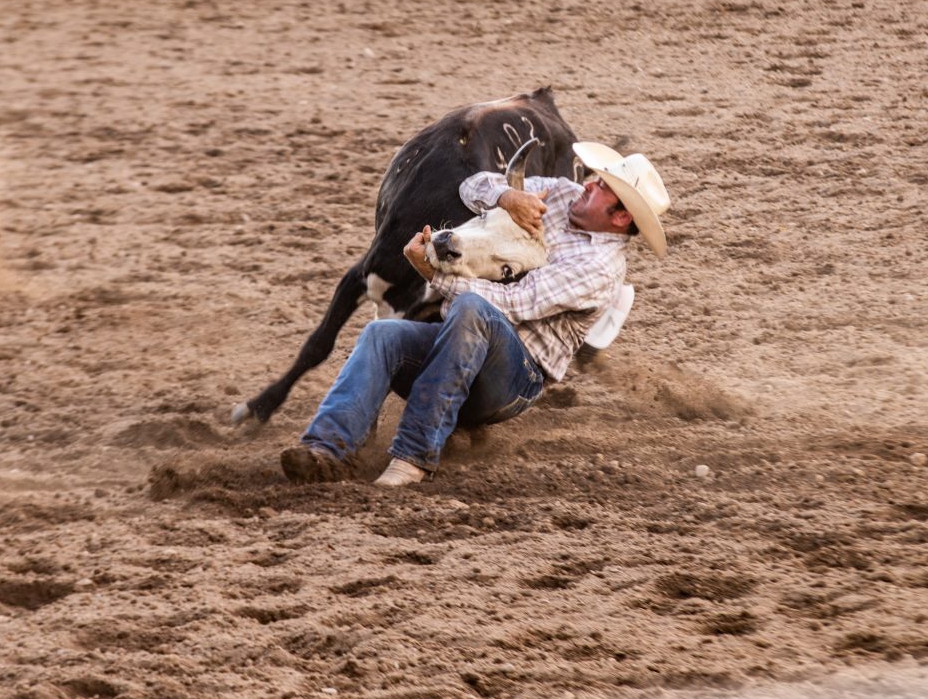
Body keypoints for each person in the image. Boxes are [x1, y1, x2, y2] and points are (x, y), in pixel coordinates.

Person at [279, 142, 671, 487]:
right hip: (464, 343)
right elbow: (471, 187)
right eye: (598, 178)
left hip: (513, 378)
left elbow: (515, 302)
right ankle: (326, 450)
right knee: (382, 334)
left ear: (621, 218)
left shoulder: (598, 267)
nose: (589, 183)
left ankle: (414, 456)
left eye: (604, 187)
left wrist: (434, 273)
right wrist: (506, 197)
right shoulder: (561, 194)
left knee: (473, 308)